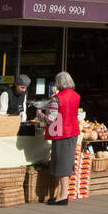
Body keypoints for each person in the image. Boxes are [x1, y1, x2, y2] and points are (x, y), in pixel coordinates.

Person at [41, 72, 80, 205]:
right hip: (73, 131)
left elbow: (51, 119)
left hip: (61, 133)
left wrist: (40, 114)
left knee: (62, 164)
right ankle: (62, 194)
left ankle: (63, 196)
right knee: (67, 162)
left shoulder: (57, 98)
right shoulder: (76, 96)